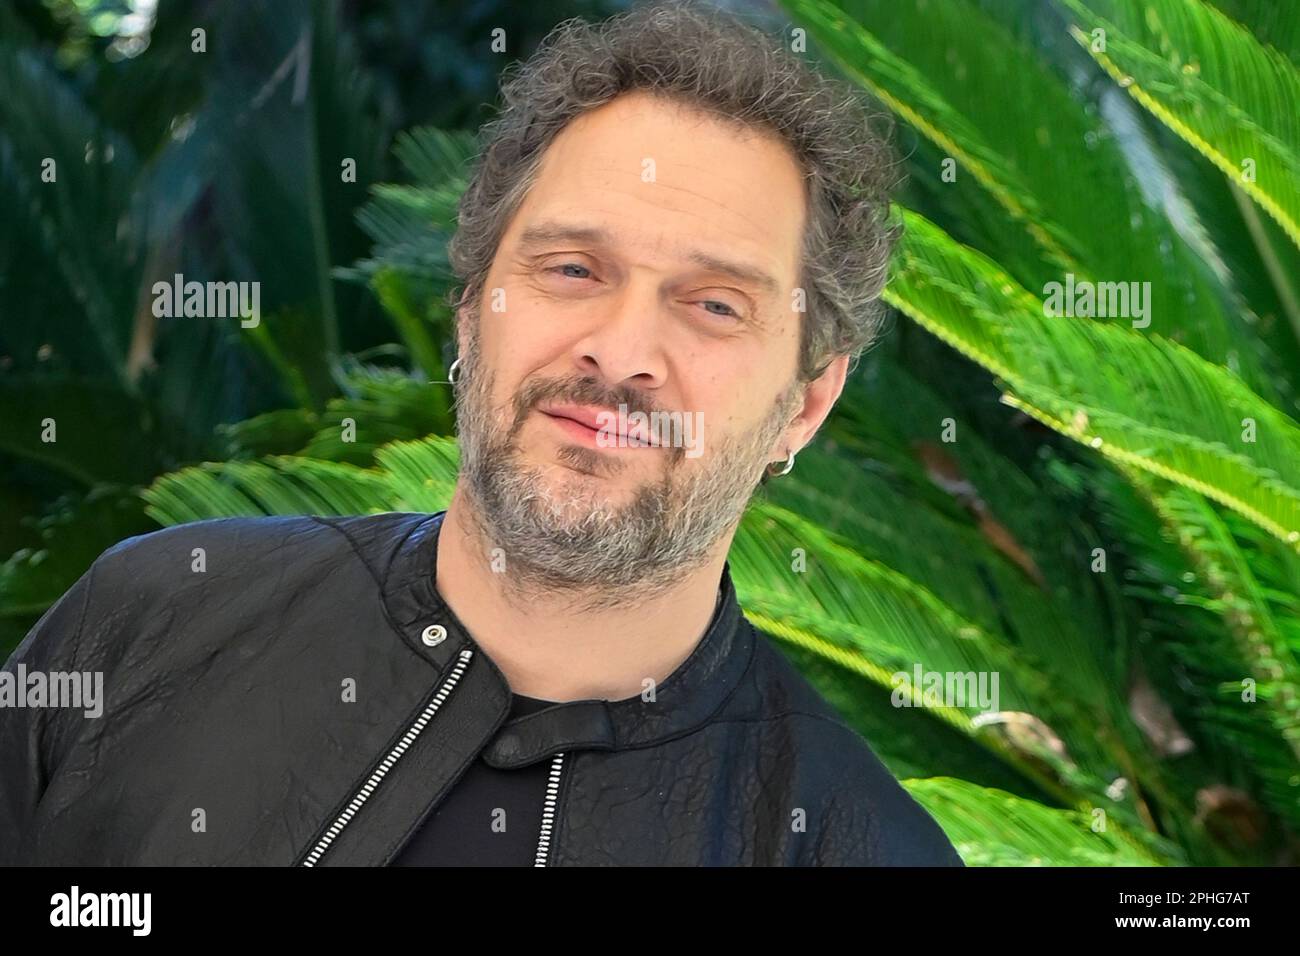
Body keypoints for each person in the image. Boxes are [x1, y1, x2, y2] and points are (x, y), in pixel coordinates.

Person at [0, 0, 962, 866]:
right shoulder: (143, 621)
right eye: (574, 269)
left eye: (713, 304)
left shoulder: (853, 846)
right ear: (470, 309)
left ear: (805, 402)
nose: (622, 352)